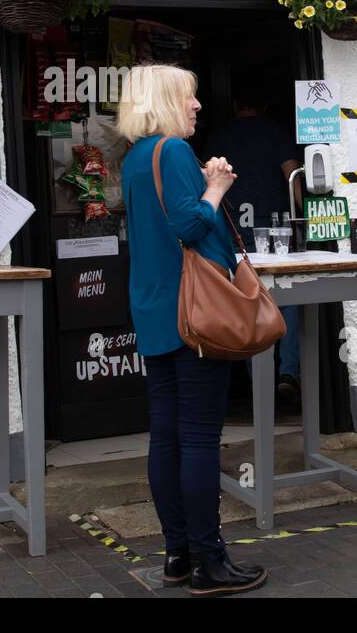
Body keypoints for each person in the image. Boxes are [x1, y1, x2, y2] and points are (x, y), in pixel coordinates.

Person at [119, 64, 269, 597]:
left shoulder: (136, 158)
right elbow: (189, 225)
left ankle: (177, 557)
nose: (198, 106)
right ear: (164, 100)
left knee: (167, 439)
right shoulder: (174, 152)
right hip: (197, 317)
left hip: (157, 314)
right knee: (201, 440)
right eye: (189, 97)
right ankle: (211, 562)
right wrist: (218, 186)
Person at [204, 85, 304, 406]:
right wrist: (303, 214)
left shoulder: (219, 136)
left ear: (235, 104)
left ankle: (256, 381)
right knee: (289, 297)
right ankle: (289, 371)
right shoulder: (275, 131)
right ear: (264, 104)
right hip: (276, 228)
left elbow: (205, 179)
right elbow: (292, 175)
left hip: (234, 230)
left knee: (247, 301)